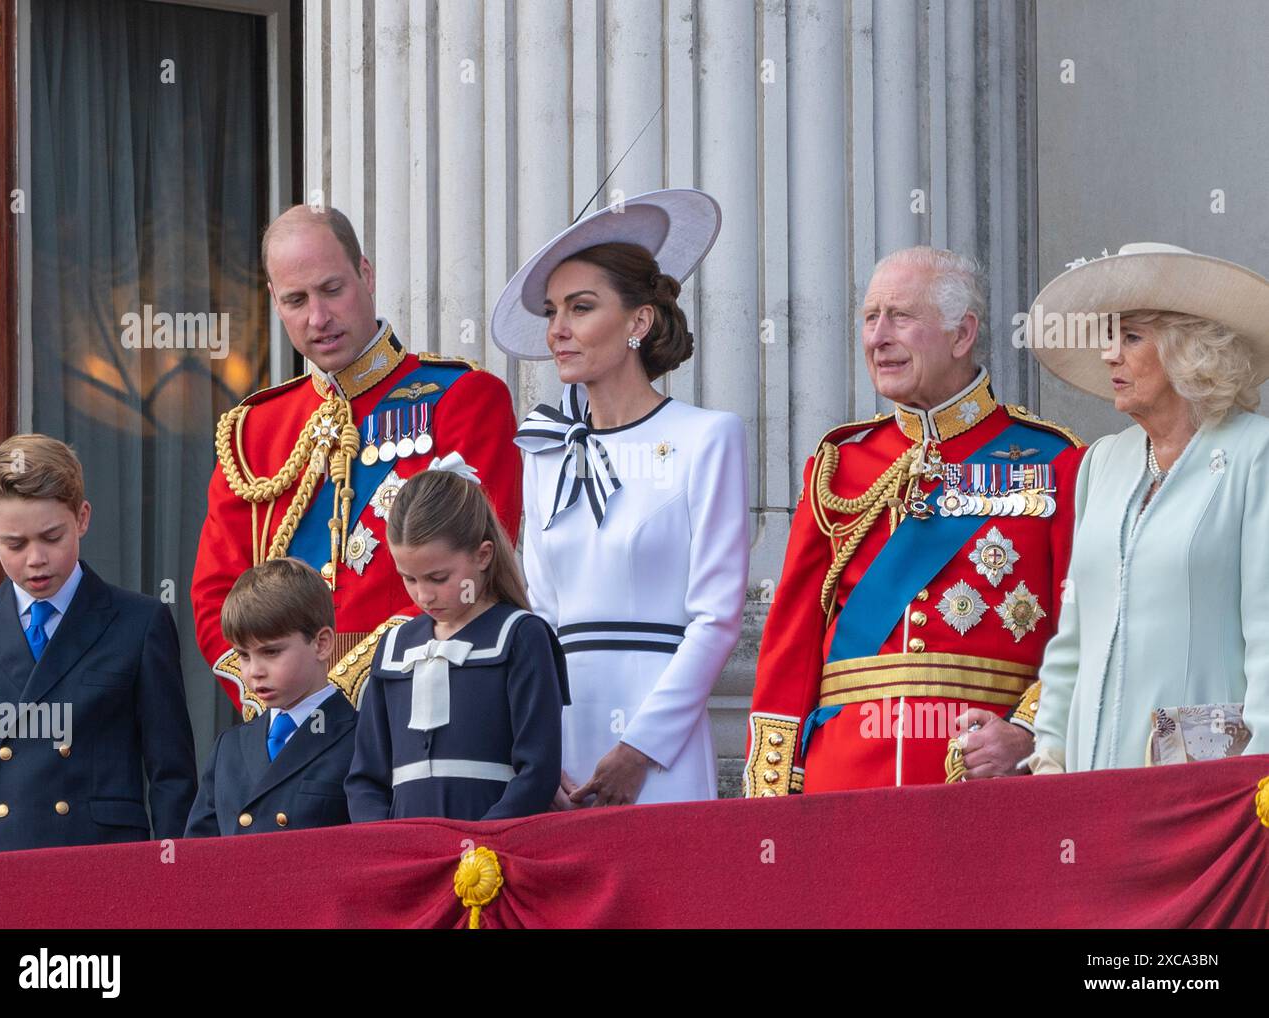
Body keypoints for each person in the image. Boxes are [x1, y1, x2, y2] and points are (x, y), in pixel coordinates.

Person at [745, 247, 1087, 795]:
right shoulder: (838, 468)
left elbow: (1084, 629)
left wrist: (1028, 734)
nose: (878, 337)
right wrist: (772, 795)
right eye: (870, 317)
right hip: (845, 780)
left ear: (962, 334)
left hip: (985, 778)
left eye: (900, 317)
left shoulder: (1055, 463)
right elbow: (791, 646)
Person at [191, 205, 522, 719]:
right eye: (297, 300)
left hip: (418, 709)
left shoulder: (460, 398)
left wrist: (346, 693)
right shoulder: (253, 430)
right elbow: (217, 595)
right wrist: (277, 697)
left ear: (365, 275)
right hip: (285, 728)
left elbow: (479, 567)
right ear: (275, 302)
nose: (318, 318)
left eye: (332, 289)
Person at [493, 188, 749, 806]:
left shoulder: (707, 437)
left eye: (580, 308)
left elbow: (715, 618)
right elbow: (541, 617)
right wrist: (535, 748)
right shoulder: (544, 449)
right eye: (553, 311)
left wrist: (640, 750)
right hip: (562, 739)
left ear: (638, 321)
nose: (558, 330)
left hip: (662, 745)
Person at [1027, 243, 1269, 772]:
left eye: (1131, 337)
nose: (1110, 354)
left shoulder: (1256, 453)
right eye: (1110, 338)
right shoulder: (1102, 462)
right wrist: (1049, 756)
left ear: (1189, 349)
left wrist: (1256, 777)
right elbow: (1074, 636)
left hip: (1204, 786)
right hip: (1091, 785)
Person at [0, 434, 196, 852]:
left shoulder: (139, 623)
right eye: (15, 544)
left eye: (52, 537)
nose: (36, 558)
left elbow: (171, 774)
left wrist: (172, 877)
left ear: (83, 518)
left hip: (97, 858)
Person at [345, 456, 568, 821]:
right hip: (406, 856)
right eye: (409, 579)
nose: (423, 596)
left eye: (437, 578)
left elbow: (537, 771)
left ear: (483, 555)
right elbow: (366, 778)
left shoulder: (521, 636)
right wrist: (385, 845)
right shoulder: (393, 647)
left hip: (489, 857)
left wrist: (480, 843)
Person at [186, 557, 356, 836]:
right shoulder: (228, 748)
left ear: (321, 644)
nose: (255, 671)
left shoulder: (362, 740)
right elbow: (198, 855)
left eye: (271, 652)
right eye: (243, 655)